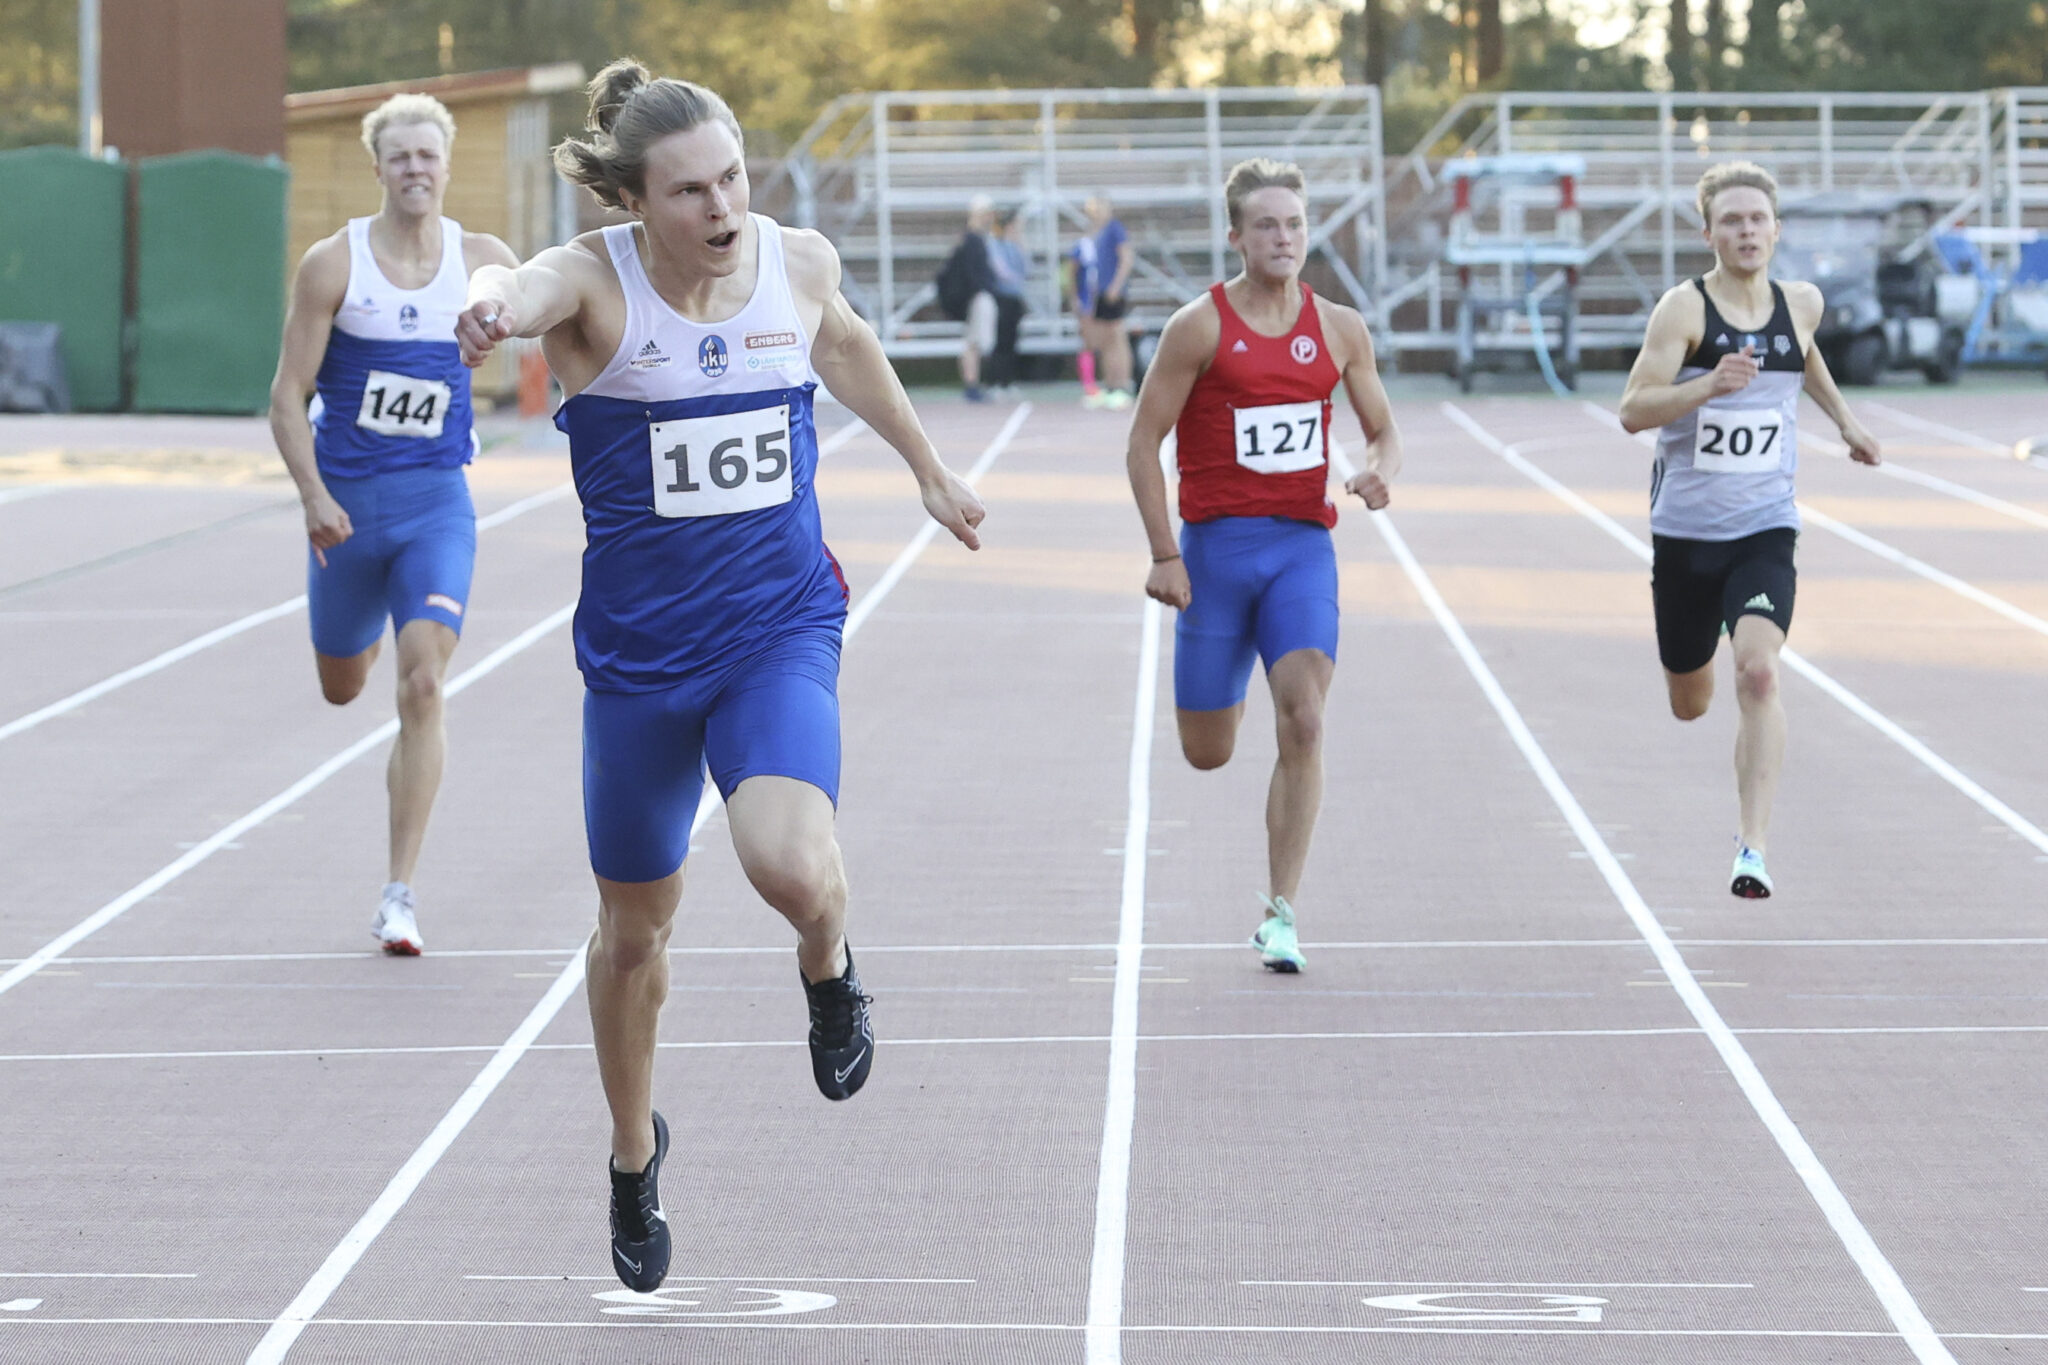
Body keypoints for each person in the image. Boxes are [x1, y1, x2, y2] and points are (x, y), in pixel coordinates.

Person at [456, 61, 986, 1294]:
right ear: (637, 202)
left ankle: (830, 966)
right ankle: (634, 1154)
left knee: (789, 864)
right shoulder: (597, 283)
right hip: (641, 667)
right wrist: (486, 301)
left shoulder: (794, 265)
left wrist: (923, 466)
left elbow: (846, 348)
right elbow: (519, 285)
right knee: (633, 937)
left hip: (775, 628)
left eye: (733, 177)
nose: (721, 207)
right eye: (690, 190)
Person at [1126, 158, 1400, 972]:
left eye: (1295, 225)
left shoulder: (1341, 328)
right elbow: (1143, 443)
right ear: (1237, 235)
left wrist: (1381, 466)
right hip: (1213, 554)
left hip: (1299, 549)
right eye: (1267, 226)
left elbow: (1384, 427)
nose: (1284, 239)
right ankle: (1231, 670)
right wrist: (1164, 554)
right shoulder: (1198, 328)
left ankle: (1281, 912)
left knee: (1306, 719)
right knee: (1207, 751)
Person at [268, 92, 518, 956]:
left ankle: (399, 892)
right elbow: (286, 397)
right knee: (344, 685)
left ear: (447, 167)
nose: (416, 169)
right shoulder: (332, 265)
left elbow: (543, 323)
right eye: (400, 156)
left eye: (428, 156)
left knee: (422, 685)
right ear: (378, 168)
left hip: (435, 507)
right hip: (345, 515)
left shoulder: (482, 261)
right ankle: (361, 625)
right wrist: (311, 497)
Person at [1618, 160, 1882, 899]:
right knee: (1690, 701)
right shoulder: (1685, 311)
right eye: (1731, 220)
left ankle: (1753, 847)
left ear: (1776, 229)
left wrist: (1847, 422)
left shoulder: (1802, 303)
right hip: (1685, 540)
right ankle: (1692, 675)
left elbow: (1805, 358)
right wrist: (1710, 383)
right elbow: (1633, 409)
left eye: (1757, 219)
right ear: (1708, 232)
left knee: (1759, 671)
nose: (1746, 231)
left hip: (1765, 528)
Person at [936, 195, 1001, 403]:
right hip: (977, 298)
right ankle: (972, 384)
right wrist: (979, 291)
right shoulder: (972, 240)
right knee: (974, 343)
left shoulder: (973, 239)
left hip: (976, 297)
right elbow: (972, 274)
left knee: (976, 343)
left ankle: (975, 383)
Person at [1079, 194, 1135, 409]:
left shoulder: (1114, 229)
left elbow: (1126, 258)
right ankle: (1110, 385)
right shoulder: (1096, 233)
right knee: (1104, 340)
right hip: (1099, 293)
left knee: (1117, 337)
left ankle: (1122, 384)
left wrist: (1116, 286)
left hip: (1112, 292)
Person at [986, 207, 1030, 395]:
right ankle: (996, 381)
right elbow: (1001, 271)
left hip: (1014, 298)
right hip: (1001, 297)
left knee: (1012, 340)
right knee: (1000, 340)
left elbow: (1027, 269)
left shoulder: (1014, 245)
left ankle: (1008, 380)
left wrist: (1020, 243)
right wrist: (1015, 278)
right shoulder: (995, 243)